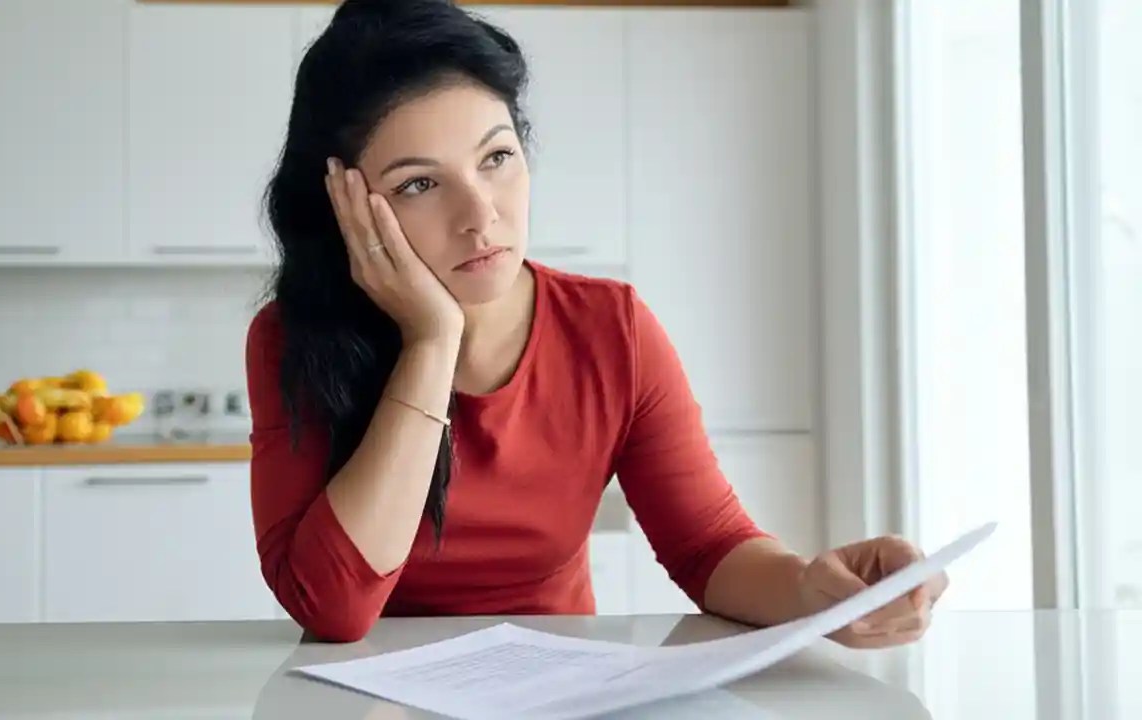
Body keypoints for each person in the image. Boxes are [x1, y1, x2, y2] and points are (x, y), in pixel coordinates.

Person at [246, 0, 947, 644]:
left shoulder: (612, 329)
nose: (481, 214)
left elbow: (708, 547)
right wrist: (432, 342)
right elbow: (333, 608)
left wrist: (814, 593)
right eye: (419, 185)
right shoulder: (293, 339)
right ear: (347, 207)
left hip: (559, 693)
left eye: (496, 159)